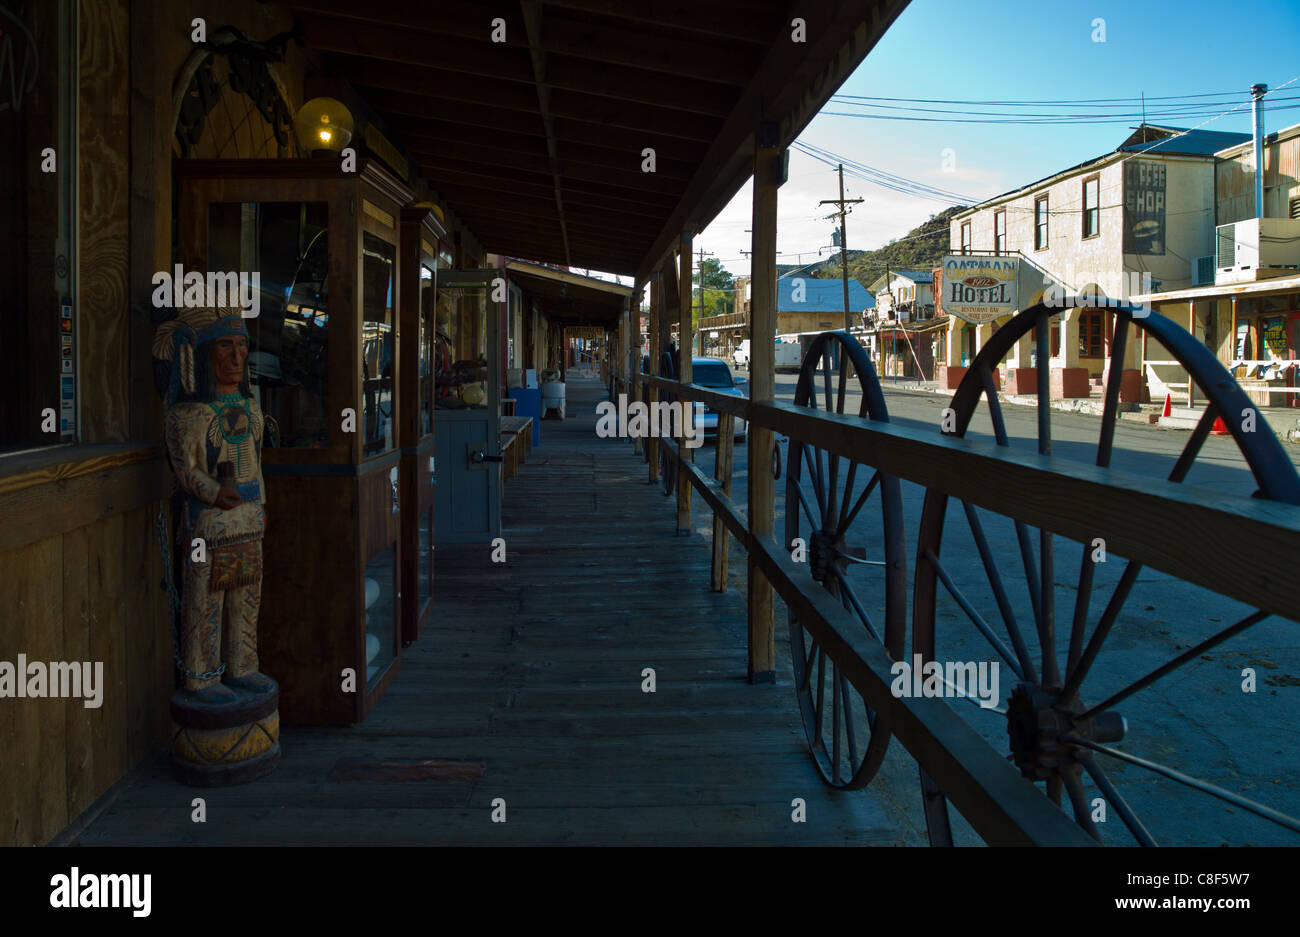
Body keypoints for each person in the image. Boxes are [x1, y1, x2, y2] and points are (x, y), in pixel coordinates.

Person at [155, 307, 274, 704]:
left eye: (242, 346)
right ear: (201, 355)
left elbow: (255, 465)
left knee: (246, 600)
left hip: (248, 520)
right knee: (204, 602)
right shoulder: (187, 414)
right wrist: (212, 491)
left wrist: (261, 506)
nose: (237, 356)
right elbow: (185, 471)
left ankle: (244, 665)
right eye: (226, 345)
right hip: (207, 525)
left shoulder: (253, 408)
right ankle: (202, 675)